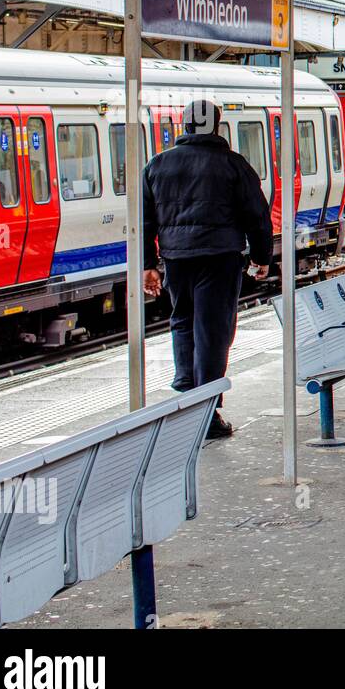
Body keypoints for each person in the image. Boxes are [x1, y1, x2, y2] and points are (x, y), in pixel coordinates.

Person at [141, 100, 271, 439]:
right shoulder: (232, 165)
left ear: (183, 126)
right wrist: (261, 257)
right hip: (219, 256)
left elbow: (144, 221)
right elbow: (257, 216)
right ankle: (206, 412)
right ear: (216, 126)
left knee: (182, 322)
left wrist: (147, 266)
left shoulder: (158, 165)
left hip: (176, 258)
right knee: (213, 331)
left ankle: (187, 395)